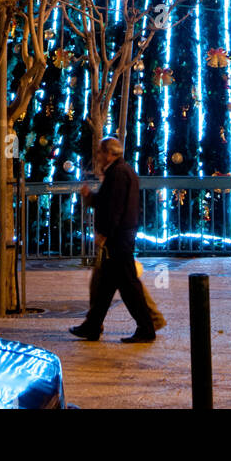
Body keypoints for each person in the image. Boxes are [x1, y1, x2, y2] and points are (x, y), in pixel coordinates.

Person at [70, 137, 156, 344]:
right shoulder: (122, 171)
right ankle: (92, 326)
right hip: (121, 236)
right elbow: (107, 202)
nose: (98, 157)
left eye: (100, 152)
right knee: (106, 287)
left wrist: (104, 233)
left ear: (109, 153)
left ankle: (147, 328)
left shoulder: (117, 173)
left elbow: (114, 208)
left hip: (118, 238)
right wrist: (90, 196)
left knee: (128, 287)